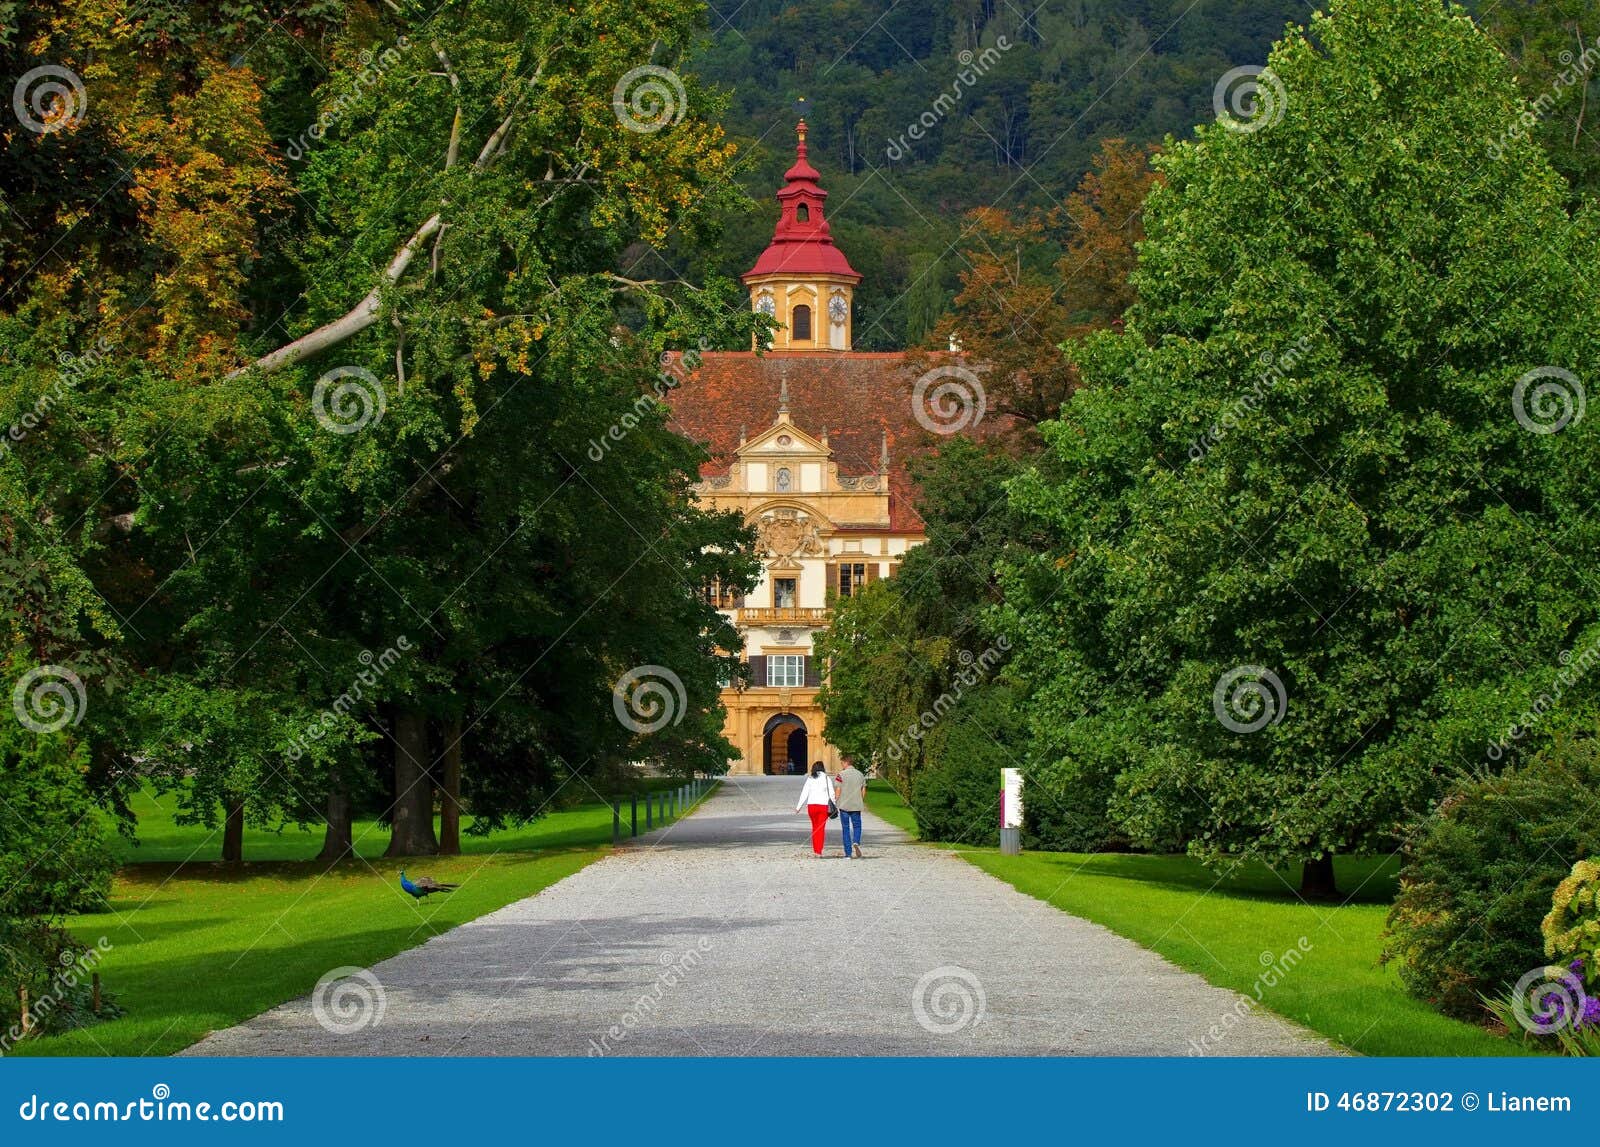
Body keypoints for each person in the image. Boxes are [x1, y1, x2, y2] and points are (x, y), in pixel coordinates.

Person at [795, 761, 834, 857]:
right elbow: (832, 793)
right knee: (821, 829)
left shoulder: (810, 778)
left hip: (812, 806)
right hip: (823, 806)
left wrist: (798, 806)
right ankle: (819, 851)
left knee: (814, 828)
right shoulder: (826, 778)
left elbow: (804, 793)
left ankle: (815, 849)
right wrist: (834, 805)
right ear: (823, 768)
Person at [833, 754, 866, 859]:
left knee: (845, 829)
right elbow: (863, 790)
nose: (841, 765)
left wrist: (835, 801)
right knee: (857, 825)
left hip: (844, 805)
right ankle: (856, 841)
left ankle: (848, 854)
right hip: (856, 804)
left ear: (846, 763)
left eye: (842, 763)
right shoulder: (860, 774)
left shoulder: (840, 774)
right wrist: (860, 800)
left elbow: (838, 789)